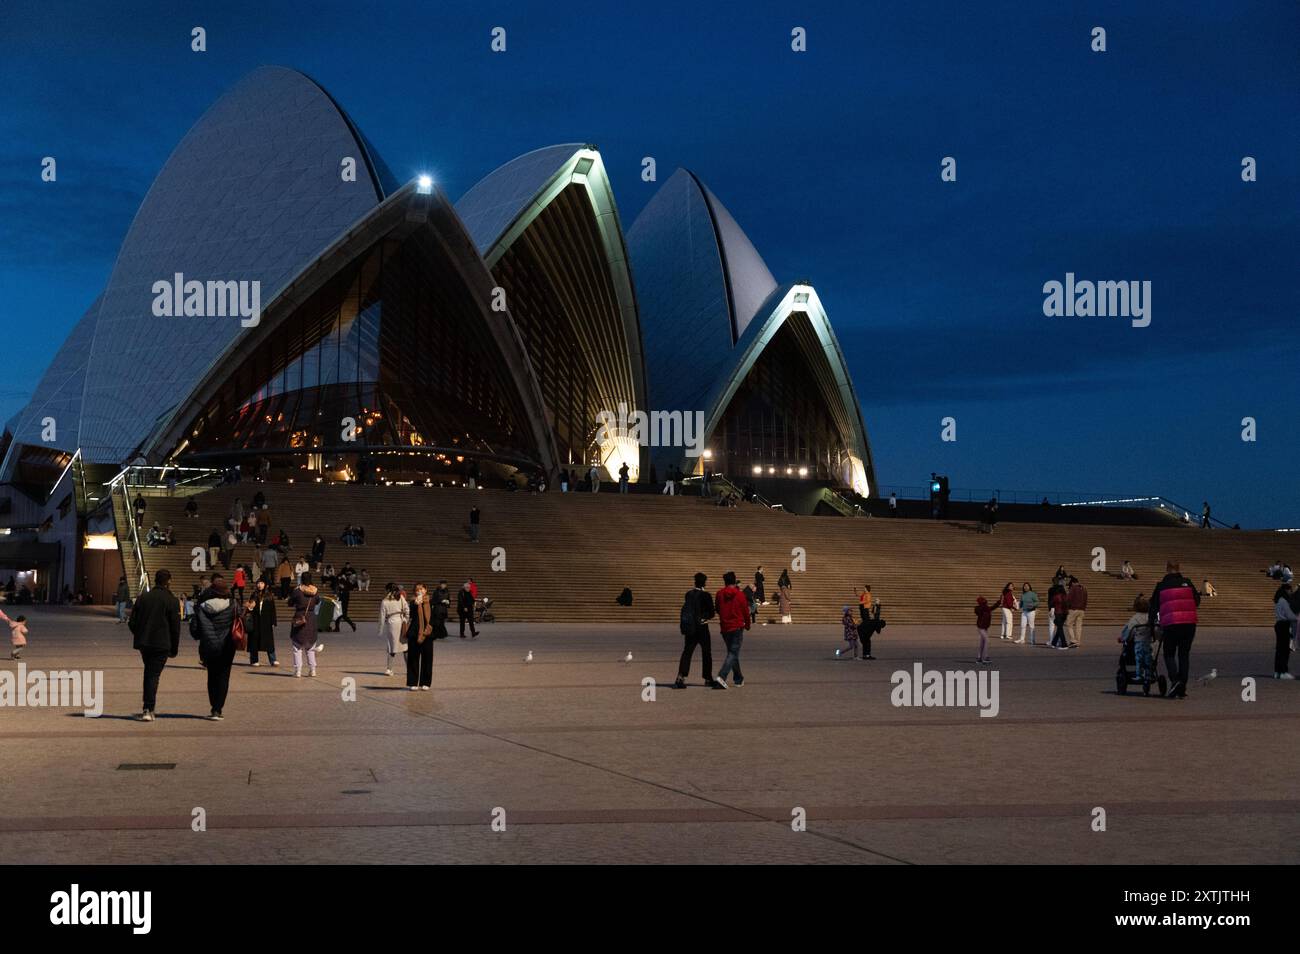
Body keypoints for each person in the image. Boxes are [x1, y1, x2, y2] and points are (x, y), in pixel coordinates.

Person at [129, 569, 180, 721]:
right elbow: (175, 627)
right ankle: (148, 709)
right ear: (168, 581)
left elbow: (132, 622)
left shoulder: (143, 597)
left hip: (145, 643)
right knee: (152, 675)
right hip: (162, 644)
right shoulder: (172, 600)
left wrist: (140, 634)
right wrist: (174, 648)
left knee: (150, 673)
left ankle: (148, 708)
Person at [1149, 561, 1200, 699]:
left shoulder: (1161, 586)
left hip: (1171, 623)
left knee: (1169, 653)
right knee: (1184, 655)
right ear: (1178, 569)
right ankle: (1182, 685)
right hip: (1189, 623)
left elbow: (1153, 607)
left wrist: (1151, 627)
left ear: (1167, 569)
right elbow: (1197, 601)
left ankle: (1175, 681)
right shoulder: (1188, 582)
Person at [191, 574, 238, 721]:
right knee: (224, 677)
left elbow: (195, 632)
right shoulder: (233, 605)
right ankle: (218, 709)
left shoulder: (202, 607)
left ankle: (213, 708)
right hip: (227, 646)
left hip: (208, 647)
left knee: (212, 677)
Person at [674, 572, 715, 689]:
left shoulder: (688, 594)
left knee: (687, 652)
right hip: (702, 627)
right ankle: (708, 678)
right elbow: (712, 613)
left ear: (695, 582)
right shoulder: (706, 595)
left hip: (690, 627)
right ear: (705, 582)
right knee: (706, 652)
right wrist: (704, 616)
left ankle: (681, 676)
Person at [713, 571, 751, 688]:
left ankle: (738, 678)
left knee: (732, 653)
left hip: (725, 627)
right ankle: (722, 676)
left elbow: (718, 609)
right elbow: (746, 611)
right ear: (734, 581)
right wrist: (748, 624)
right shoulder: (740, 595)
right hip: (737, 627)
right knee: (733, 653)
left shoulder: (719, 594)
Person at [287, 573, 321, 678]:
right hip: (311, 619)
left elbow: (290, 602)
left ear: (301, 579)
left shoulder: (297, 591)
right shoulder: (315, 591)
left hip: (300, 617)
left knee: (297, 647)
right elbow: (318, 601)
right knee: (310, 647)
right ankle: (313, 670)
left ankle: (298, 671)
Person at [1121, 595, 1155, 684]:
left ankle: (1139, 675)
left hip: (1139, 641)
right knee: (1148, 658)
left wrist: (1124, 638)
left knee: (1139, 658)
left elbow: (1129, 631)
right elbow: (1156, 629)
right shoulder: (1150, 617)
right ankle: (1149, 674)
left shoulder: (1135, 618)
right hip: (1149, 642)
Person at [406, 583, 434, 690]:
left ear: (426, 590)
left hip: (428, 633)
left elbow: (435, 617)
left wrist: (430, 628)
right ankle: (413, 682)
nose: (420, 591)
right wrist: (415, 603)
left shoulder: (431, 602)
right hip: (414, 633)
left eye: (421, 589)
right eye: (417, 590)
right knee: (413, 658)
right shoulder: (413, 602)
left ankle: (425, 682)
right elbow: (411, 616)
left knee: (427, 658)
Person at [379, 583, 410, 674]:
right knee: (405, 646)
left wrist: (380, 629)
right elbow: (407, 610)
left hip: (391, 623)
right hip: (401, 621)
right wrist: (405, 619)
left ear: (387, 590)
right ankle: (409, 669)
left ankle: (389, 669)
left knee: (392, 646)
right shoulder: (401, 598)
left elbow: (382, 616)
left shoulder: (384, 601)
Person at [247, 579, 278, 668]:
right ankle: (254, 660)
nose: (260, 585)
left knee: (269, 641)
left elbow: (273, 610)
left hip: (266, 622)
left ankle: (273, 660)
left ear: (265, 585)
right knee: (254, 640)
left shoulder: (269, 595)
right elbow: (249, 609)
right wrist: (250, 607)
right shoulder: (254, 594)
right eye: (258, 583)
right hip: (256, 621)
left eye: (262, 583)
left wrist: (273, 621)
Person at [1271, 583, 1295, 680]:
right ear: (1286, 590)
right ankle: (1283, 671)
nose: (1291, 592)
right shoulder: (1284, 601)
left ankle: (1277, 671)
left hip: (1278, 624)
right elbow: (1289, 615)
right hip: (1284, 625)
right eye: (1290, 590)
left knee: (1279, 649)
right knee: (1285, 649)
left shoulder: (1278, 601)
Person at [1065, 576, 1088, 647]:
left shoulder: (1073, 588)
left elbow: (1068, 599)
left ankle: (1073, 640)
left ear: (1073, 583)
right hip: (1082, 610)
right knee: (1078, 626)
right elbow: (1086, 600)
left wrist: (1067, 607)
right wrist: (1083, 608)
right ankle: (1078, 641)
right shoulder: (1084, 589)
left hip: (1073, 609)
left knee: (1069, 624)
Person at [1048, 581, 1069, 650]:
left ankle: (1064, 644)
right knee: (1059, 628)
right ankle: (1054, 643)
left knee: (1060, 629)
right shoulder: (1066, 596)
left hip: (1058, 613)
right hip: (1065, 613)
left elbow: (1051, 603)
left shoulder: (1056, 596)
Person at [974, 596, 992, 664]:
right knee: (987, 640)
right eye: (983, 601)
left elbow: (992, 608)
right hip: (981, 627)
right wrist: (983, 605)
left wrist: (999, 602)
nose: (985, 602)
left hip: (985, 627)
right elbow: (978, 611)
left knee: (982, 643)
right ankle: (985, 657)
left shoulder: (987, 608)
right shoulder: (978, 608)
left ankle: (979, 658)